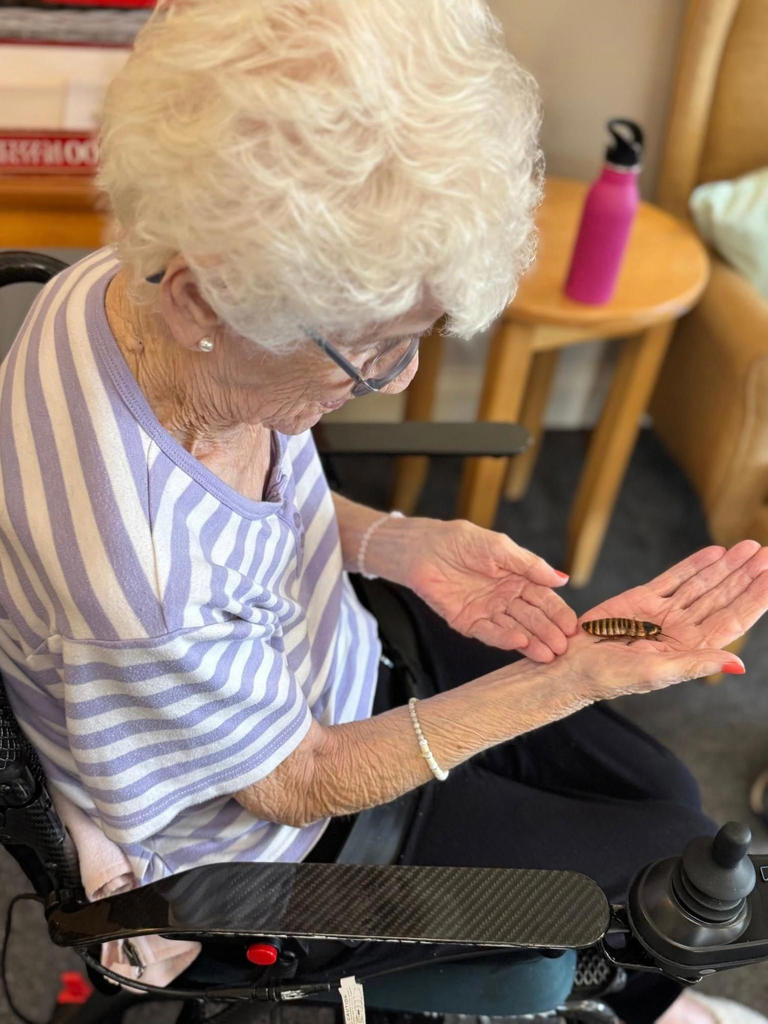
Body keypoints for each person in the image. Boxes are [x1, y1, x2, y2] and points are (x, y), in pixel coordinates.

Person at [1, 2, 768, 1021]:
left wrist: (399, 542)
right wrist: (582, 673)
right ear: (202, 301)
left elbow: (241, 506)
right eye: (369, 350)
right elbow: (299, 781)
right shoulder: (140, 584)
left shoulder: (118, 282)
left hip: (332, 654)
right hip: (277, 841)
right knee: (646, 895)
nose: (393, 377)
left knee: (666, 797)